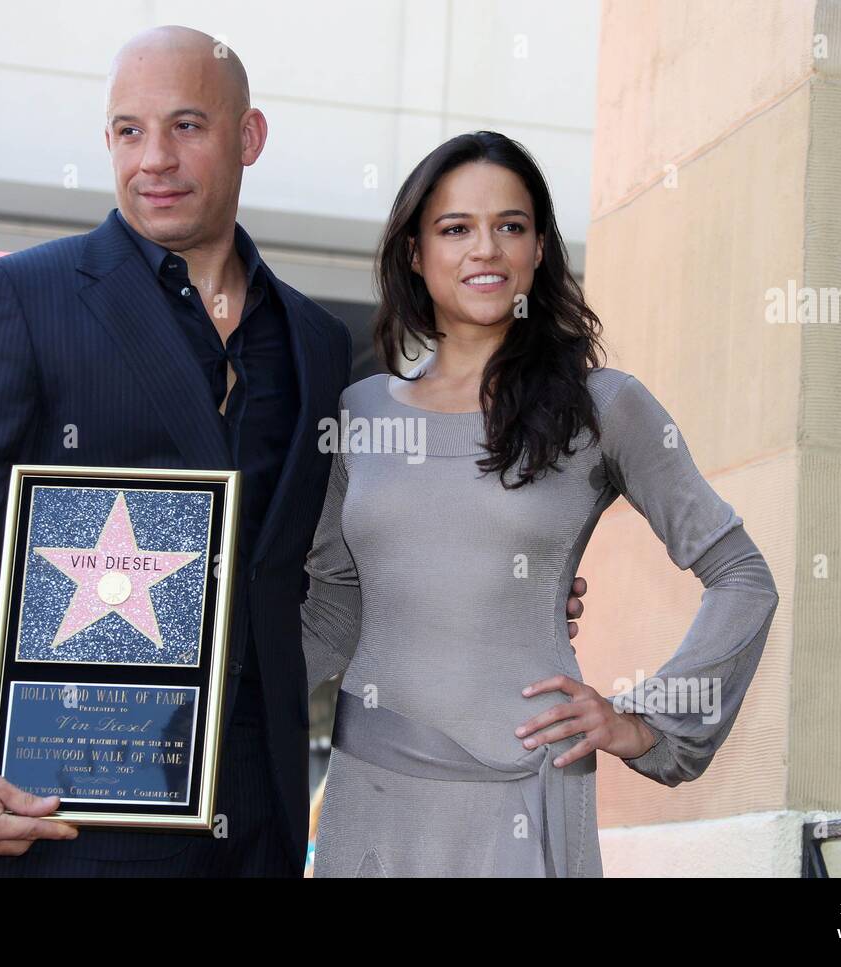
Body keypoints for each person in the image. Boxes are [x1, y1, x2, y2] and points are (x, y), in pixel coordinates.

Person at [0, 27, 590, 877]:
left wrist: (490, 573)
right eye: (129, 132)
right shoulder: (18, 299)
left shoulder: (317, 342)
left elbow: (334, 558)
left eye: (187, 126)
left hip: (259, 813)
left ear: (248, 137)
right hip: (70, 803)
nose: (155, 161)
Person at [302, 131, 780, 877]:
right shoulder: (359, 411)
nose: (484, 249)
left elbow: (743, 575)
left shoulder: (603, 405)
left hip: (519, 796)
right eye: (456, 228)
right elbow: (334, 608)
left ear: (539, 252)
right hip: (369, 793)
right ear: (414, 254)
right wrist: (207, 719)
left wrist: (643, 721)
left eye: (511, 226)